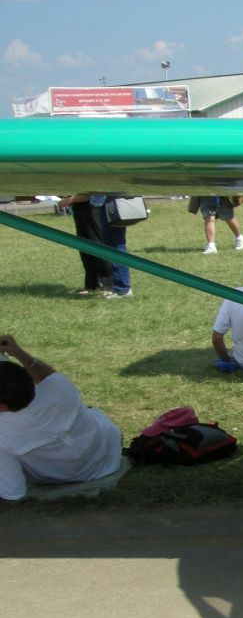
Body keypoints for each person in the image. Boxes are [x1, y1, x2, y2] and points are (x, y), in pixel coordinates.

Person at [0, 335, 123, 501]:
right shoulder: (59, 387)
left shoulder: (3, 436)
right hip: (107, 450)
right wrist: (19, 353)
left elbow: (13, 493)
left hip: (64, 477)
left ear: (3, 407)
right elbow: (46, 375)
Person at [64, 193, 112, 295]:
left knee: (97, 244)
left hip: (93, 206)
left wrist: (70, 200)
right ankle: (92, 285)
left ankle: (108, 284)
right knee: (84, 248)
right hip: (79, 206)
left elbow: (92, 192)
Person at [93, 194, 132, 298]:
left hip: (111, 202)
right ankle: (120, 288)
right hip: (111, 201)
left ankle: (122, 290)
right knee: (114, 244)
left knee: (115, 245)